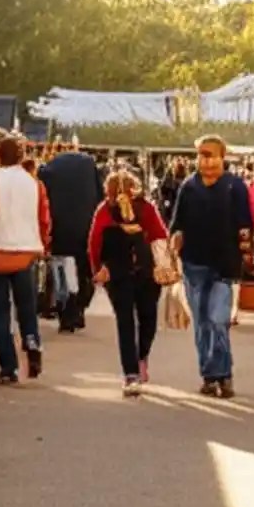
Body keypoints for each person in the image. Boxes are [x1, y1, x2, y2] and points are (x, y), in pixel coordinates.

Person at [169, 134, 252, 398]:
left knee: (218, 319)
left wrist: (245, 246)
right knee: (202, 323)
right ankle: (209, 375)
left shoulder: (234, 186)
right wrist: (175, 239)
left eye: (209, 154)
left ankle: (224, 374)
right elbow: (177, 223)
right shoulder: (188, 187)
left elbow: (245, 225)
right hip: (194, 264)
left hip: (224, 265)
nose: (204, 160)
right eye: (200, 154)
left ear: (222, 157)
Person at [0, 136, 51, 384]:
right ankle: (32, 341)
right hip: (26, 252)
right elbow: (44, 219)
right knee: (27, 307)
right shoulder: (34, 184)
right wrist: (43, 244)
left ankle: (8, 367)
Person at [88, 170, 169, 396]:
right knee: (148, 319)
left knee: (125, 322)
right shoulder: (147, 208)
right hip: (147, 271)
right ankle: (139, 359)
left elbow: (94, 242)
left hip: (116, 273)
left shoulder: (104, 211)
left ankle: (131, 373)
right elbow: (160, 236)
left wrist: (97, 270)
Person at [39, 146, 104, 332]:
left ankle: (66, 313)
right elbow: (100, 198)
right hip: (85, 228)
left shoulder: (49, 170)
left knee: (61, 271)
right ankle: (79, 309)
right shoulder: (89, 167)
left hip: (59, 227)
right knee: (84, 271)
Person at [158, 158, 188, 226]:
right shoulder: (170, 179)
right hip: (171, 201)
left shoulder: (170, 179)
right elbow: (163, 190)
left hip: (172, 202)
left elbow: (163, 190)